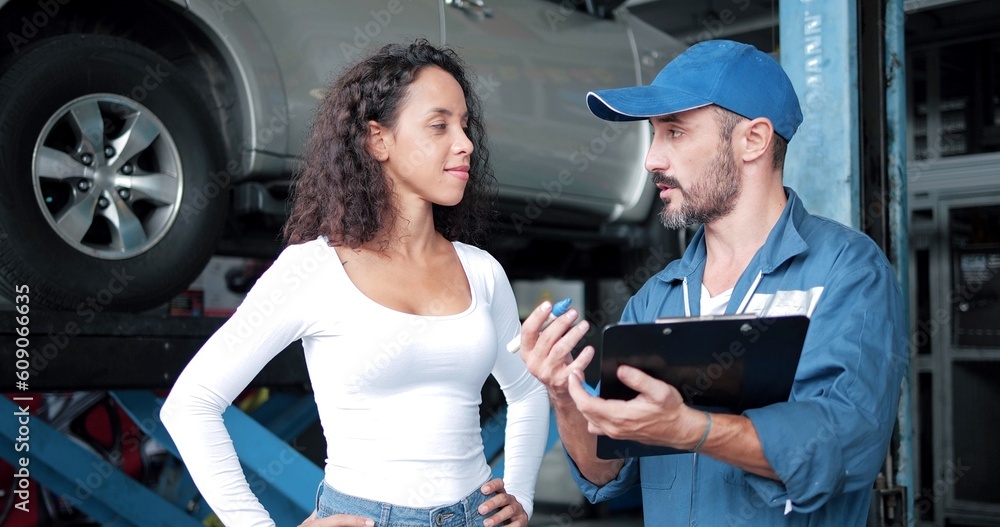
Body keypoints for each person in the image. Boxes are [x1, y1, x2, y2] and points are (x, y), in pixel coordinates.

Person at [160, 39, 550, 527]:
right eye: (439, 125)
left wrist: (521, 496)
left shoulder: (481, 270)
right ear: (377, 140)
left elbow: (528, 391)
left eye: (465, 125)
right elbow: (190, 404)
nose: (465, 143)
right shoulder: (313, 269)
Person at [518, 39, 908, 525]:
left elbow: (845, 446)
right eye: (654, 135)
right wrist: (562, 392)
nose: (652, 160)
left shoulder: (847, 271)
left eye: (675, 133)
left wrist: (692, 429)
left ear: (753, 140)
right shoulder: (656, 299)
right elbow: (607, 473)